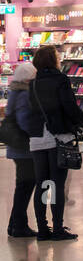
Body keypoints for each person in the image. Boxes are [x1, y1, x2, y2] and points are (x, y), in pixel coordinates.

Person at [24, 45, 83, 241]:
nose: (59, 58)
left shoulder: (33, 83)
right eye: (57, 56)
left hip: (37, 138)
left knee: (43, 184)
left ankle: (43, 229)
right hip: (57, 137)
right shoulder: (61, 79)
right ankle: (58, 228)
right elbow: (68, 105)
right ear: (53, 60)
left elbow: (32, 110)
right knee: (56, 184)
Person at [5, 62, 39, 238]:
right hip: (24, 148)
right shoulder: (25, 94)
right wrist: (37, 133)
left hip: (15, 146)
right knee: (26, 185)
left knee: (22, 186)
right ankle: (19, 226)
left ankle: (15, 224)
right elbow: (25, 120)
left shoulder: (14, 91)